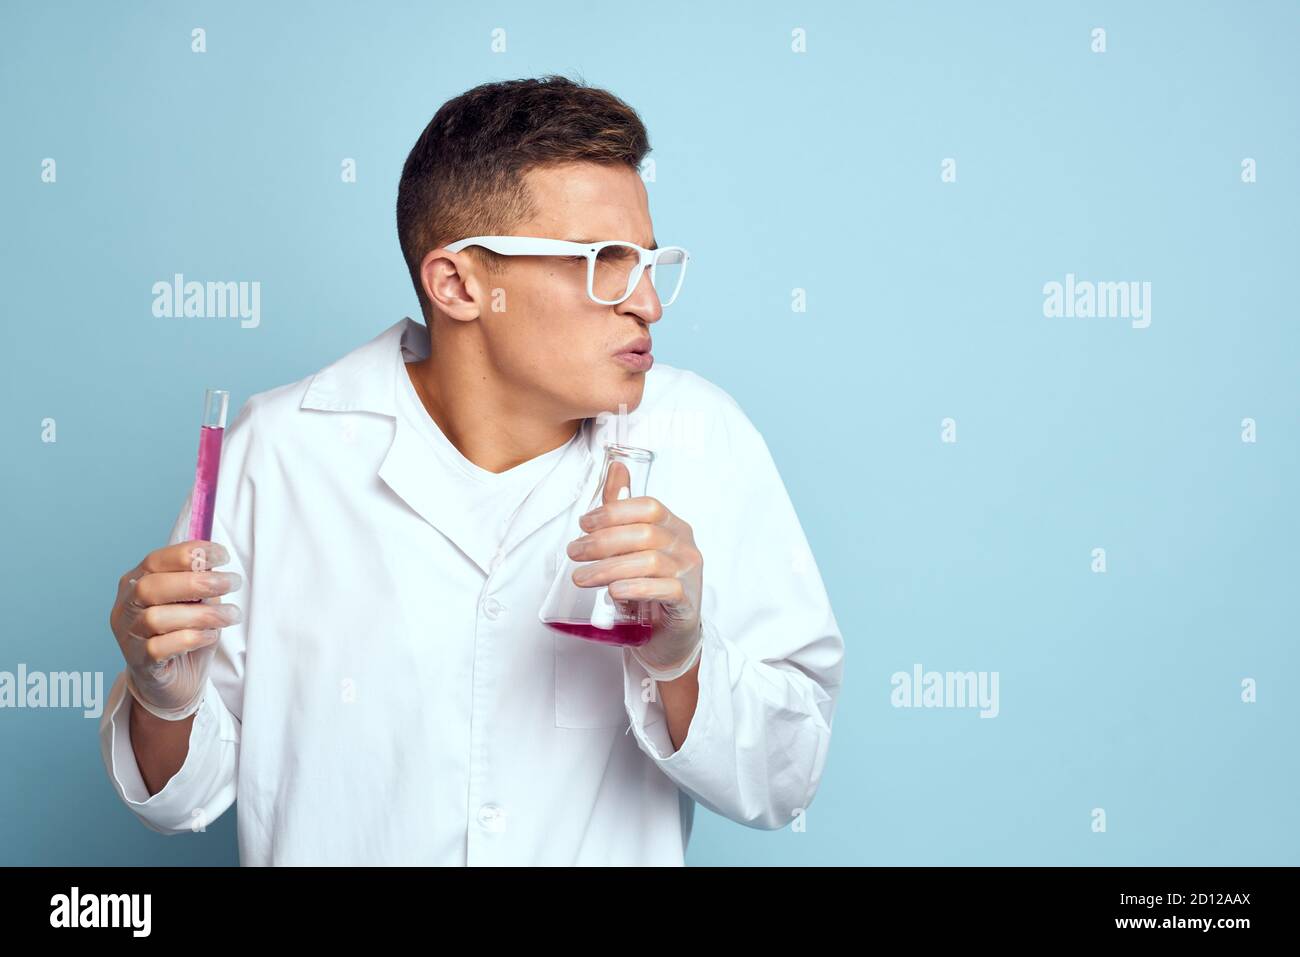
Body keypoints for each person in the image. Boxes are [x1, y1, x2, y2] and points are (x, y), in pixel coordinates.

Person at [101, 75, 845, 865]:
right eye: (605, 262)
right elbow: (181, 796)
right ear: (458, 283)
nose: (649, 304)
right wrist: (162, 699)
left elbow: (786, 777)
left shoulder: (700, 436)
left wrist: (682, 662)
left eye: (650, 261)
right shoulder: (278, 451)